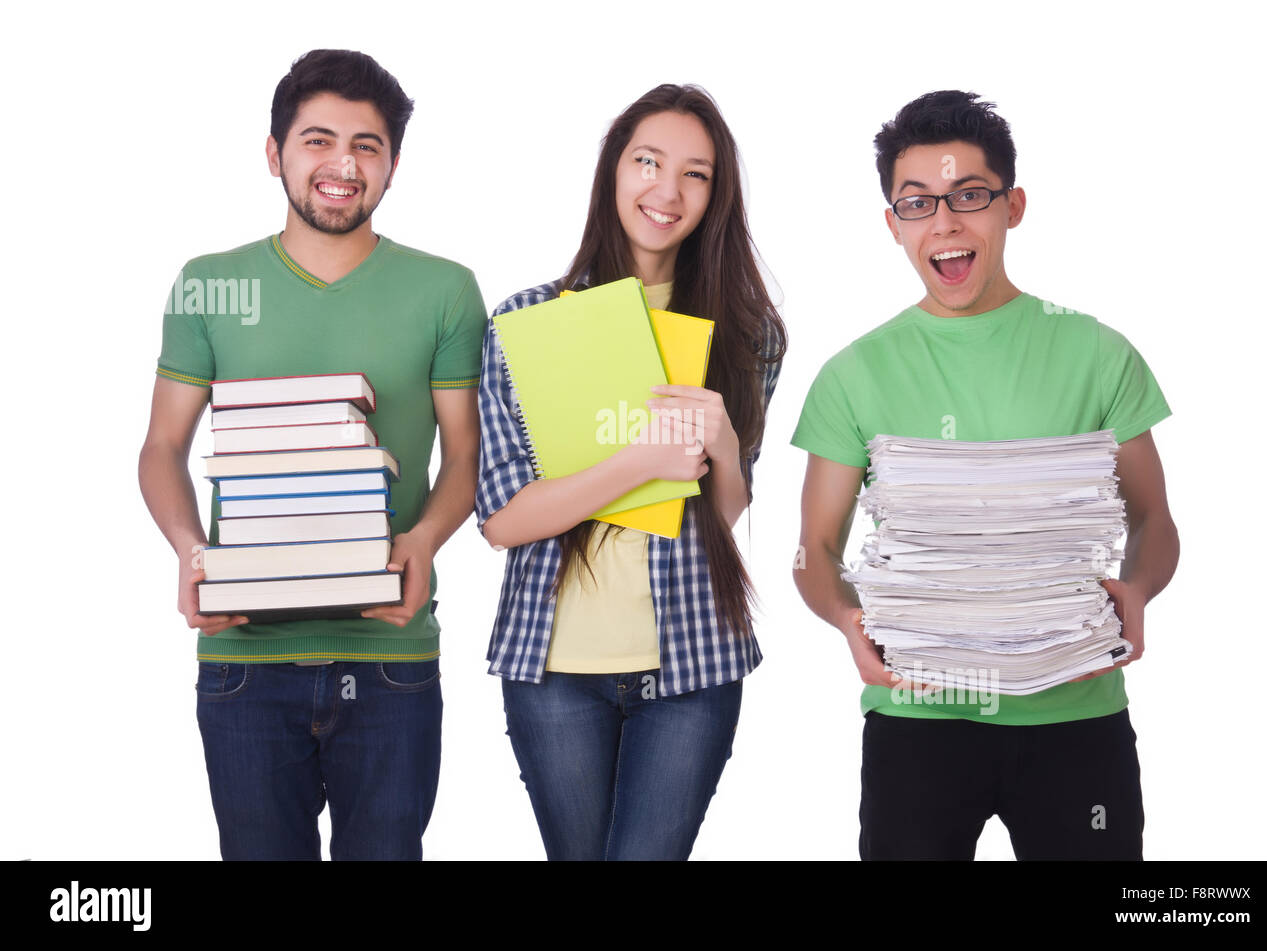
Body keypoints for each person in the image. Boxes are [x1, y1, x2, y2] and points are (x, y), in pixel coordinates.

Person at [791, 90, 1179, 860]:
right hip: (919, 721)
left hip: (1076, 715)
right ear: (893, 223)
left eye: (970, 195)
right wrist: (846, 620)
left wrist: (1137, 588)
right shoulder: (854, 374)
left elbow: (1155, 521)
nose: (945, 221)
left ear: (1014, 205)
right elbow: (813, 548)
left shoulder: (1098, 353)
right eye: (918, 202)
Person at [138, 49, 486, 860]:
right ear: (275, 152)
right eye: (318, 140)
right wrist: (192, 551)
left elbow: (464, 458)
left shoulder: (445, 290)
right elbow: (162, 447)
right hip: (246, 658)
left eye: (367, 145)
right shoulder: (207, 285)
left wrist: (424, 540)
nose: (342, 164)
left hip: (393, 653)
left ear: (393, 165)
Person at [476, 84, 786, 860]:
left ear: (716, 196)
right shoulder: (526, 322)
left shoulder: (748, 335)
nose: (667, 190)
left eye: (696, 174)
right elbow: (503, 518)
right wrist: (639, 460)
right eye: (647, 161)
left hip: (692, 663)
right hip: (554, 667)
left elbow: (729, 507)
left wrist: (719, 443)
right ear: (613, 170)